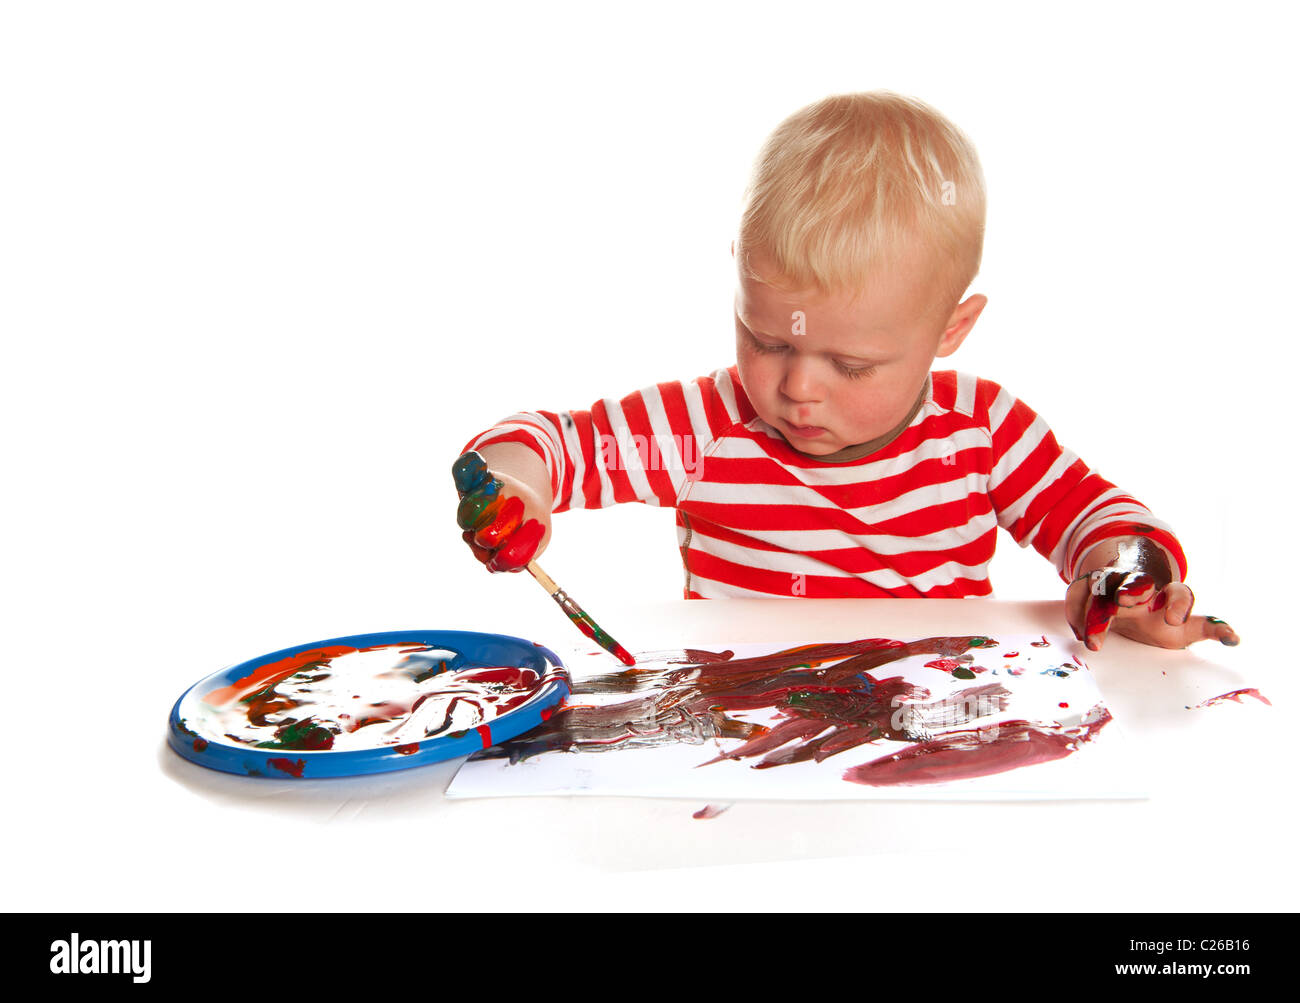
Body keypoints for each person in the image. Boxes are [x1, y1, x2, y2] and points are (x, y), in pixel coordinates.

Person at [452, 91, 1238, 652]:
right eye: (767, 340)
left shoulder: (984, 432)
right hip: (747, 734)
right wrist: (513, 486)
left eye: (852, 364)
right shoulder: (706, 427)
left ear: (950, 329)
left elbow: (1095, 517)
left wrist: (1125, 579)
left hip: (934, 729)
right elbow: (549, 443)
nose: (798, 387)